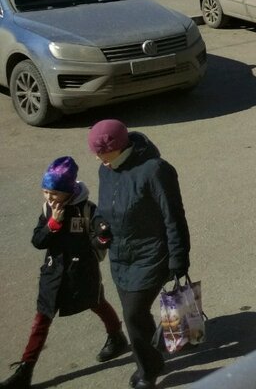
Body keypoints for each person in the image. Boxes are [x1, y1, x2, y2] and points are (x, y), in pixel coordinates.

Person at [0, 157, 129, 389]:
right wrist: (52, 225)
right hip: (53, 274)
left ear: (68, 191)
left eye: (54, 193)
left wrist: (103, 235)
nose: (49, 197)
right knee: (41, 319)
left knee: (97, 302)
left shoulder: (87, 209)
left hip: (82, 272)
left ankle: (117, 336)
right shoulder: (48, 210)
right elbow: (38, 241)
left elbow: (100, 234)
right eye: (45, 192)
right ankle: (26, 369)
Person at [89, 120, 190, 389]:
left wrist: (179, 258)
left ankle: (148, 370)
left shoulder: (156, 170)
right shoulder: (105, 170)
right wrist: (99, 225)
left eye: (101, 152)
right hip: (121, 256)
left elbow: (174, 217)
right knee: (137, 315)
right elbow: (103, 208)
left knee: (133, 315)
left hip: (151, 255)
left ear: (118, 148)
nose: (98, 158)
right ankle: (153, 354)